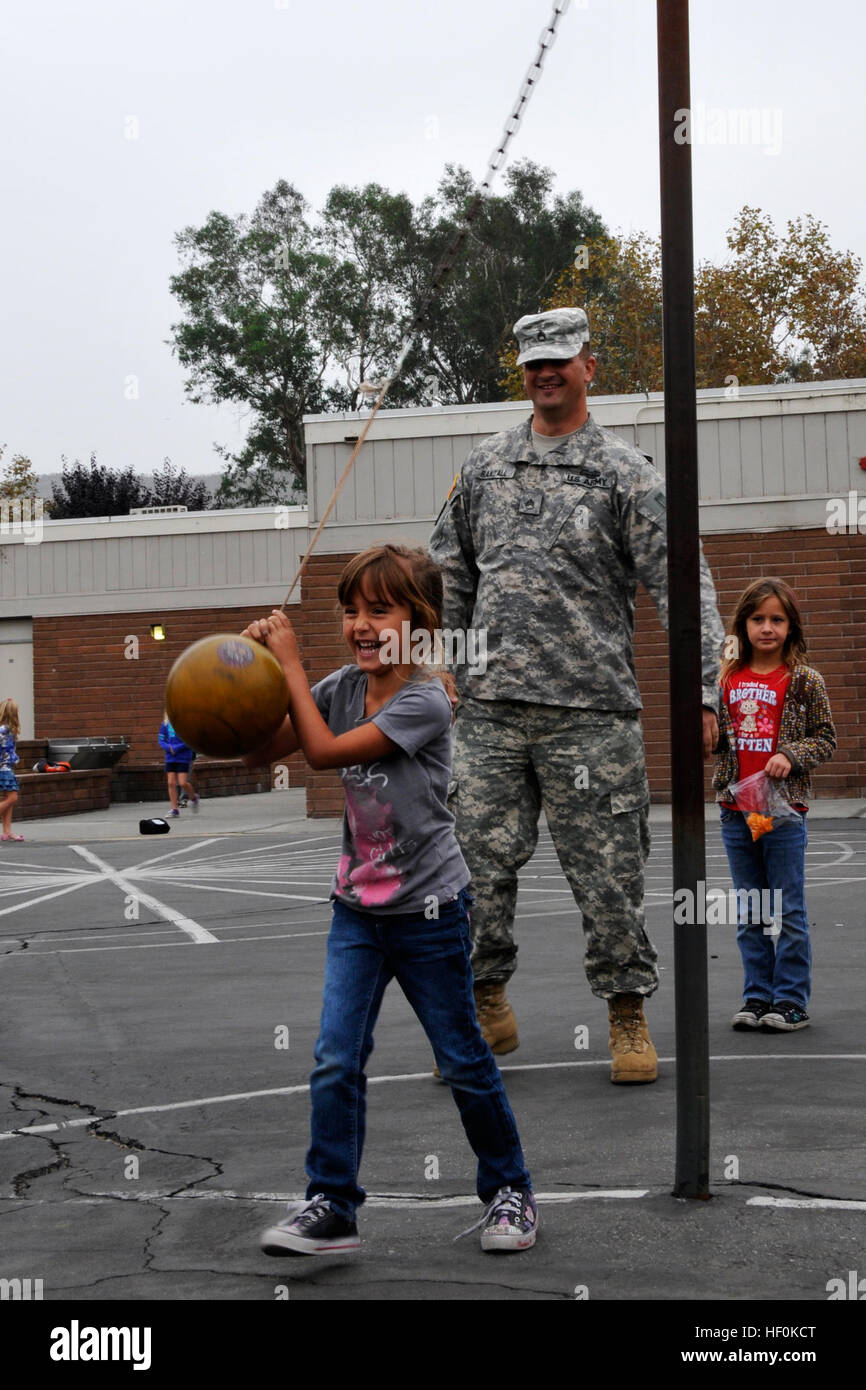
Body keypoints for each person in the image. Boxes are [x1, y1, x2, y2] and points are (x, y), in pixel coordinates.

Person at [429, 306, 725, 1083]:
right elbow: (447, 573)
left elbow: (681, 582)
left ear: (590, 365)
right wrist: (436, 668)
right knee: (474, 864)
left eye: (560, 360)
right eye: (533, 364)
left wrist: (704, 694)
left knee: (609, 873)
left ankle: (626, 1014)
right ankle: (482, 1001)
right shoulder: (485, 466)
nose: (546, 374)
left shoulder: (625, 473)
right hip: (490, 711)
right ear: (521, 372)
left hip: (591, 715)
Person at [242, 543, 538, 1255]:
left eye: (381, 609)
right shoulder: (341, 687)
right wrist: (245, 672)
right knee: (335, 1059)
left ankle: (510, 1192)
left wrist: (287, 664)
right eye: (350, 610)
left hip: (430, 912)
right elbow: (265, 750)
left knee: (464, 1058)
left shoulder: (426, 698)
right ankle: (332, 1204)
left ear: (422, 620)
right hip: (357, 911)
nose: (361, 623)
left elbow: (319, 754)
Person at [713, 578, 836, 1031]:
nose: (767, 628)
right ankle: (757, 997)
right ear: (743, 625)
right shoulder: (726, 680)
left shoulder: (804, 680)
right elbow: (717, 740)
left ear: (791, 627)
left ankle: (790, 1001)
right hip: (736, 811)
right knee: (750, 909)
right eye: (758, 619)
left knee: (787, 909)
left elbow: (825, 738)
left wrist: (790, 754)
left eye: (777, 620)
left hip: (783, 813)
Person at [158, 714, 200, 816]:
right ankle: (175, 809)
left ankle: (193, 797)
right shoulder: (165, 725)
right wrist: (168, 748)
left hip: (183, 757)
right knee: (171, 783)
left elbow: (189, 741)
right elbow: (161, 740)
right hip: (170, 758)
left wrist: (176, 748)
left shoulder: (185, 725)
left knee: (182, 783)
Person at [0, 698, 23, 842]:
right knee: (13, 798)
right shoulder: (5, 730)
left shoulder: (8, 730)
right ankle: (7, 831)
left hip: (7, 767)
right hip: (3, 769)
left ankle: (7, 831)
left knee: (8, 799)